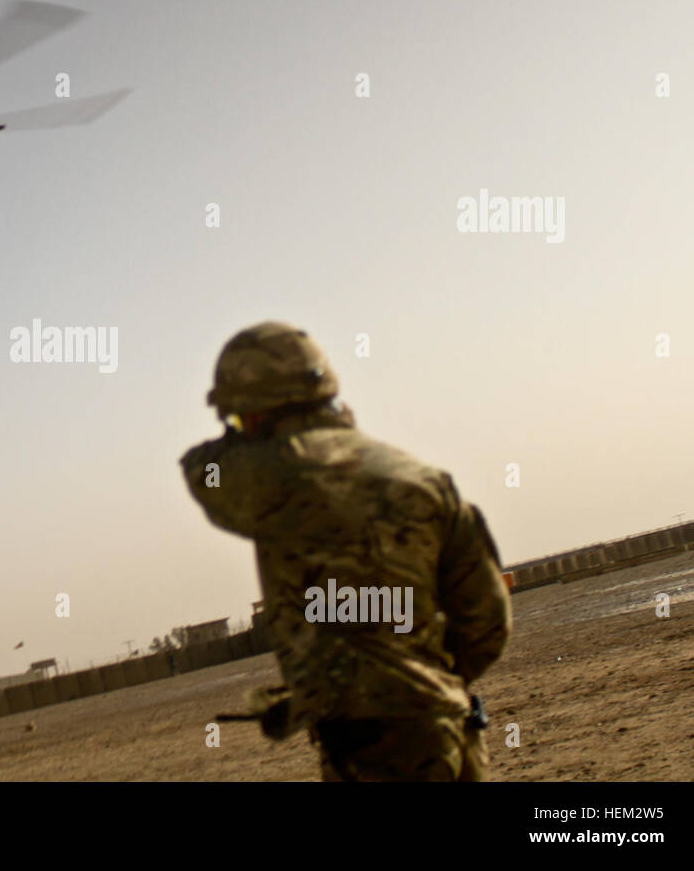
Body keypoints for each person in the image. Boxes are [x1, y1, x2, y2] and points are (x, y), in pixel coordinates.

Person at [180, 322, 511, 781]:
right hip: (455, 739)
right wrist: (420, 683)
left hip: (371, 757)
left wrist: (244, 427)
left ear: (252, 412)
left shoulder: (266, 478)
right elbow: (488, 623)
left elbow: (201, 469)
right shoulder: (425, 480)